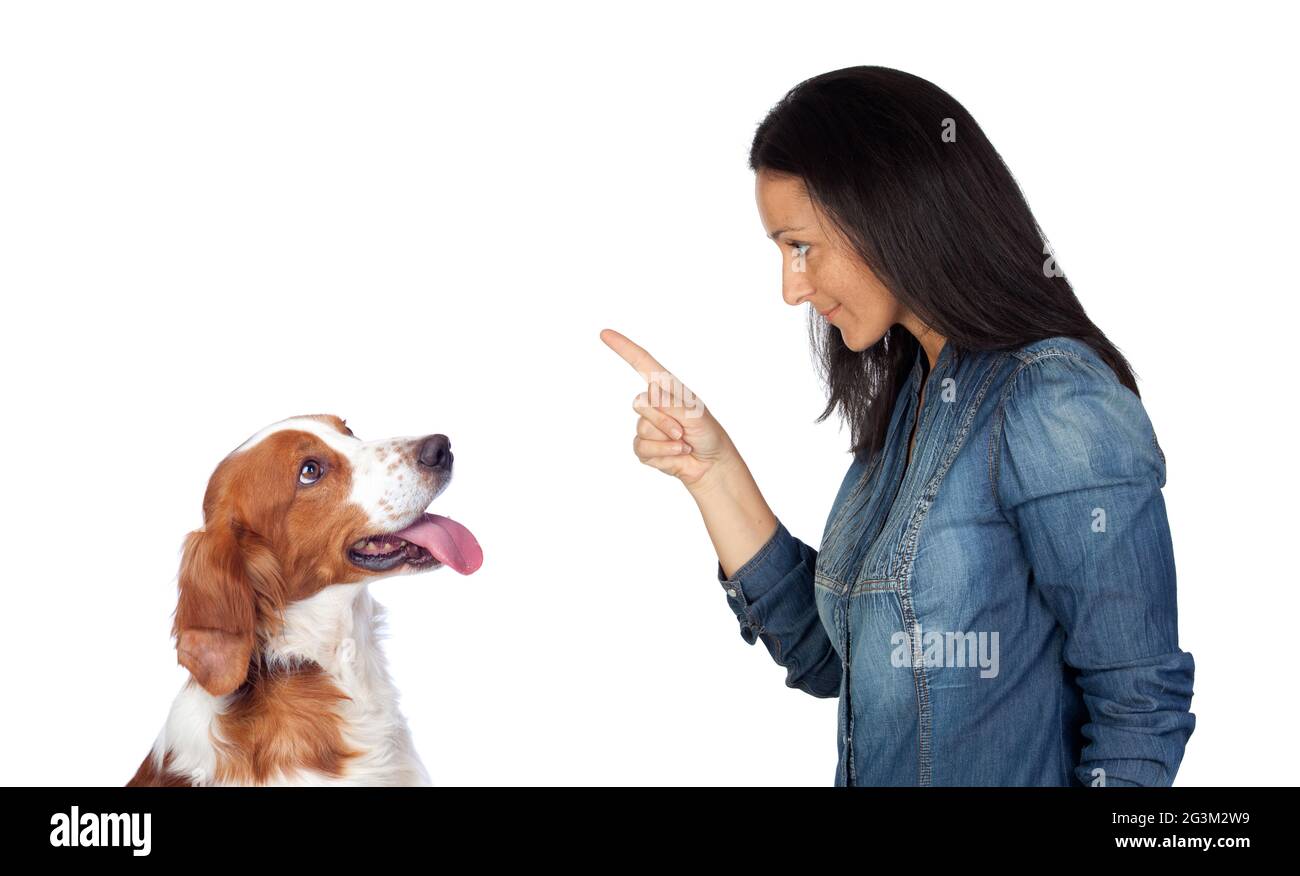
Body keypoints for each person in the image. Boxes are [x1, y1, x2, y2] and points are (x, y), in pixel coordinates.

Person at [599, 65, 1195, 786]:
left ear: (891, 213)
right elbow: (833, 659)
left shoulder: (1052, 401)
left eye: (801, 246)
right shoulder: (914, 400)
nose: (791, 288)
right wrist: (712, 469)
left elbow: (1139, 705)